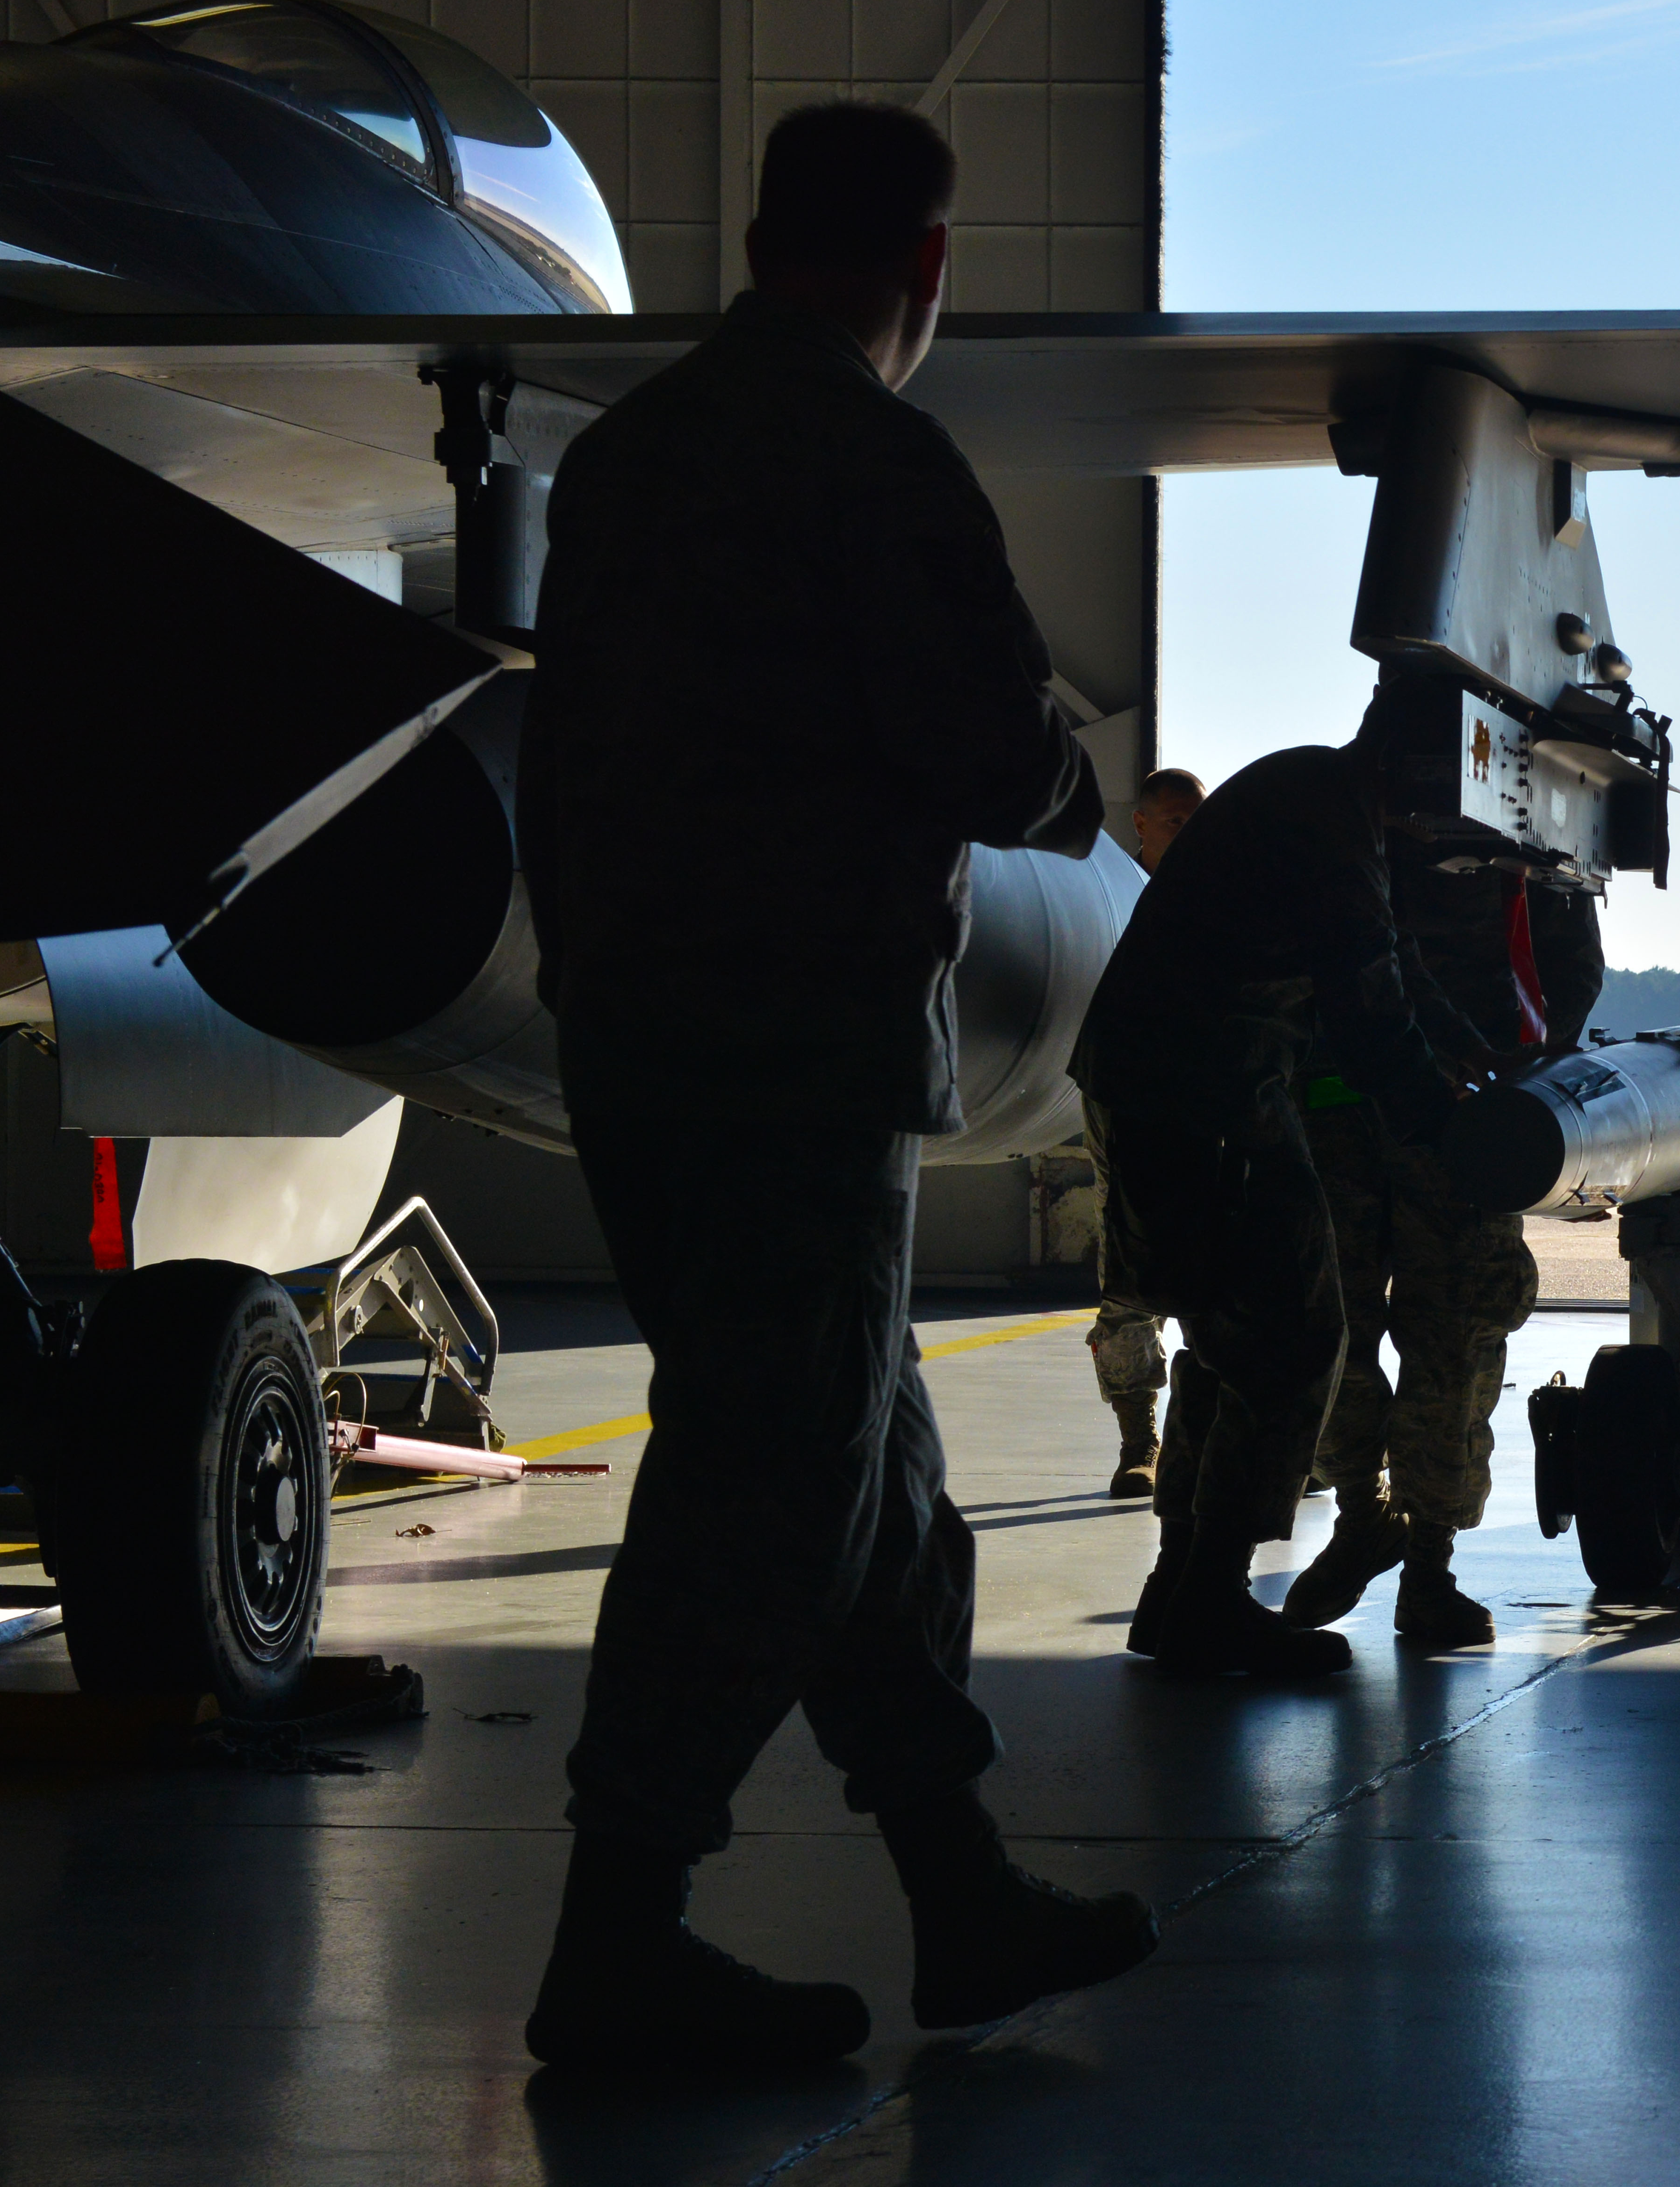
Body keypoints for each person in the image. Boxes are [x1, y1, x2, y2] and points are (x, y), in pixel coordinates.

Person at [515, 99, 1156, 2068]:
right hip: (801, 1043)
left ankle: (955, 1884)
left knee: (874, 1464)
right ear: (927, 265)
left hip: (638, 1036)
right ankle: (617, 1926)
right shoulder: (871, 459)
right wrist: (1070, 765)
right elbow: (992, 753)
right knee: (779, 1478)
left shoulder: (626, 457)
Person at [1069, 684, 1491, 1679]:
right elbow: (1368, 1002)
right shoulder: (1326, 816)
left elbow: (1390, 969)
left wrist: (1478, 1062)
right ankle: (1209, 1603)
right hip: (1202, 1093)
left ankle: (1180, 1591)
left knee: (1228, 1336)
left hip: (1184, 1084)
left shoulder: (1318, 796)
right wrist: (1454, 1127)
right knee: (1295, 1334)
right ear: (1421, 765)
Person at [1283, 847, 1602, 1645]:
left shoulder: (1524, 837)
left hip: (1458, 1108)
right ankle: (1369, 1518)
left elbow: (1571, 968)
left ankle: (1427, 1560)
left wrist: (1525, 1071)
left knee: (1453, 1328)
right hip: (1358, 1099)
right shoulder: (1384, 825)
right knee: (1334, 1322)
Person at [1083, 766, 1205, 1499]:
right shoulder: (1107, 898)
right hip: (1126, 1099)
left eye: (1197, 820)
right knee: (1131, 1269)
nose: (1188, 835)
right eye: (1174, 823)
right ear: (1141, 824)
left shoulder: (1223, 900)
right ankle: (1140, 1440)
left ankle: (1241, 1435)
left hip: (1210, 1097)